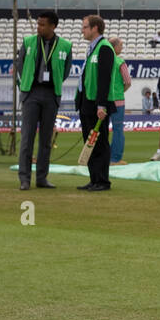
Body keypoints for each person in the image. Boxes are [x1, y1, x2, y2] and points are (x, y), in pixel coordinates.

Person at [14, 11, 71, 190]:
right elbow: (20, 63)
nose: (39, 27)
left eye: (42, 24)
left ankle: (41, 178)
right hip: (31, 93)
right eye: (38, 24)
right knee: (27, 138)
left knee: (46, 140)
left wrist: (54, 84)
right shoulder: (28, 41)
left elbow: (66, 70)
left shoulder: (65, 45)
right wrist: (27, 83)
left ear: (53, 26)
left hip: (51, 94)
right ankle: (24, 178)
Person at [77, 14, 121, 189]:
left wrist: (101, 105)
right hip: (87, 101)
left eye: (85, 26)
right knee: (90, 142)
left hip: (97, 104)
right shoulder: (92, 48)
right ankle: (94, 178)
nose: (83, 30)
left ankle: (102, 180)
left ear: (95, 28)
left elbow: (104, 79)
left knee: (100, 142)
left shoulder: (104, 48)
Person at [109, 37, 132, 165]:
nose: (122, 47)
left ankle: (104, 157)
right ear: (115, 46)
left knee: (102, 131)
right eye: (121, 45)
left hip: (104, 101)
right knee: (117, 130)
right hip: (118, 100)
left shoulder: (104, 60)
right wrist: (120, 91)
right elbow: (128, 82)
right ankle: (115, 159)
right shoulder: (120, 62)